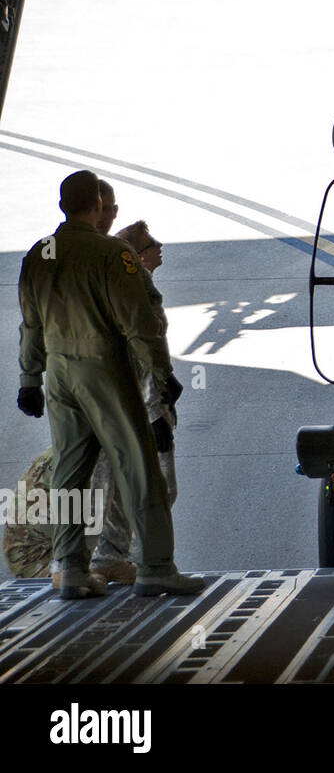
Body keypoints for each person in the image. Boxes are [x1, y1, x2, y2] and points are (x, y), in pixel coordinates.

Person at [16, 170, 202, 599]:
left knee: (70, 471)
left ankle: (72, 569)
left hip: (59, 377)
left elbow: (31, 324)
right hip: (103, 369)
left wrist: (30, 379)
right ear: (98, 205)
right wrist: (161, 374)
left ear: (64, 206)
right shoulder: (112, 253)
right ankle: (156, 565)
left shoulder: (38, 254)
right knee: (139, 467)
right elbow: (139, 323)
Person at [88, 220, 177, 584]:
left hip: (127, 400)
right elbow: (146, 348)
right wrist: (158, 408)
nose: (159, 247)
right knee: (155, 485)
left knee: (124, 485)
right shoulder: (134, 290)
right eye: (152, 243)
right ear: (137, 256)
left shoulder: (129, 287)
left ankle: (115, 558)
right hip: (135, 403)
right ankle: (144, 563)